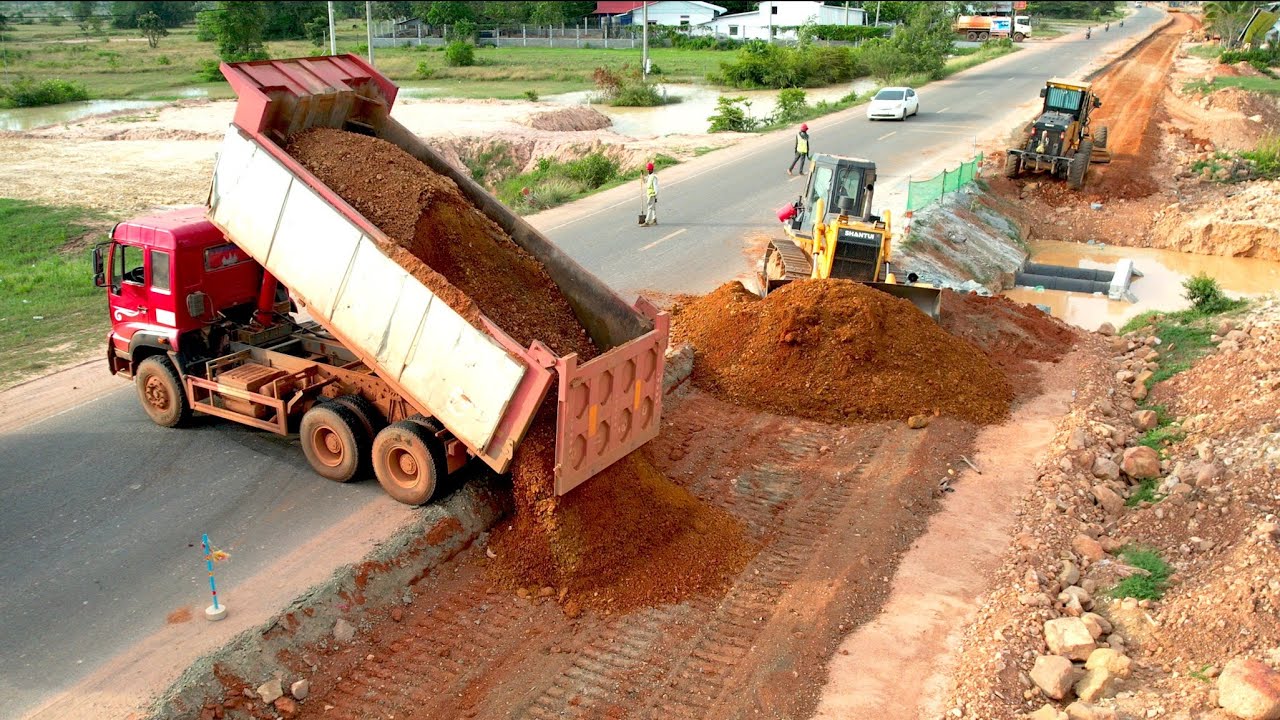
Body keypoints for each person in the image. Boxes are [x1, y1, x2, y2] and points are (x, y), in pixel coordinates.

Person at [642, 162, 658, 226]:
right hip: (649, 194)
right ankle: (654, 220)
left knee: (649, 207)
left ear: (651, 169)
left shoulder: (654, 177)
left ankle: (647, 221)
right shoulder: (649, 176)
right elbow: (644, 181)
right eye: (647, 169)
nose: (648, 170)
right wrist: (642, 176)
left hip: (652, 195)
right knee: (653, 207)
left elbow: (656, 187)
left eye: (649, 169)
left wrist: (655, 196)